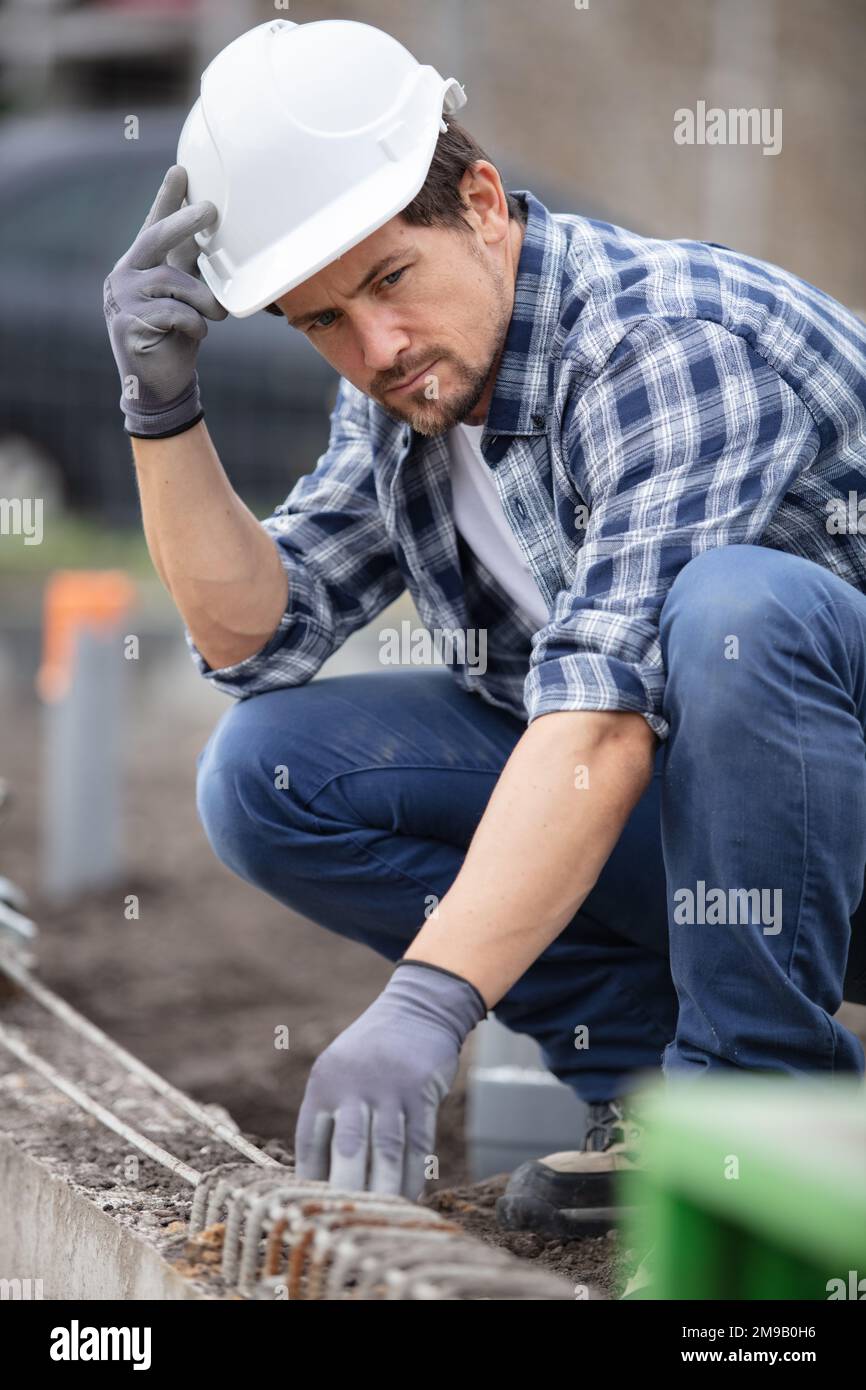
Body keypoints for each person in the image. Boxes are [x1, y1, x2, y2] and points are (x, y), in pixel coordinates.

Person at [103, 18, 866, 1237]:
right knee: (269, 770)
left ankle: (770, 1122)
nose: (374, 347)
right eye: (322, 323)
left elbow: (606, 718)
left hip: (838, 835)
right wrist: (161, 412)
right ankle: (659, 1095)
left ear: (483, 201)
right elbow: (260, 637)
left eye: (388, 281)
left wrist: (429, 1001)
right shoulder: (414, 394)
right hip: (705, 842)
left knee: (738, 611)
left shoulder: (659, 340)